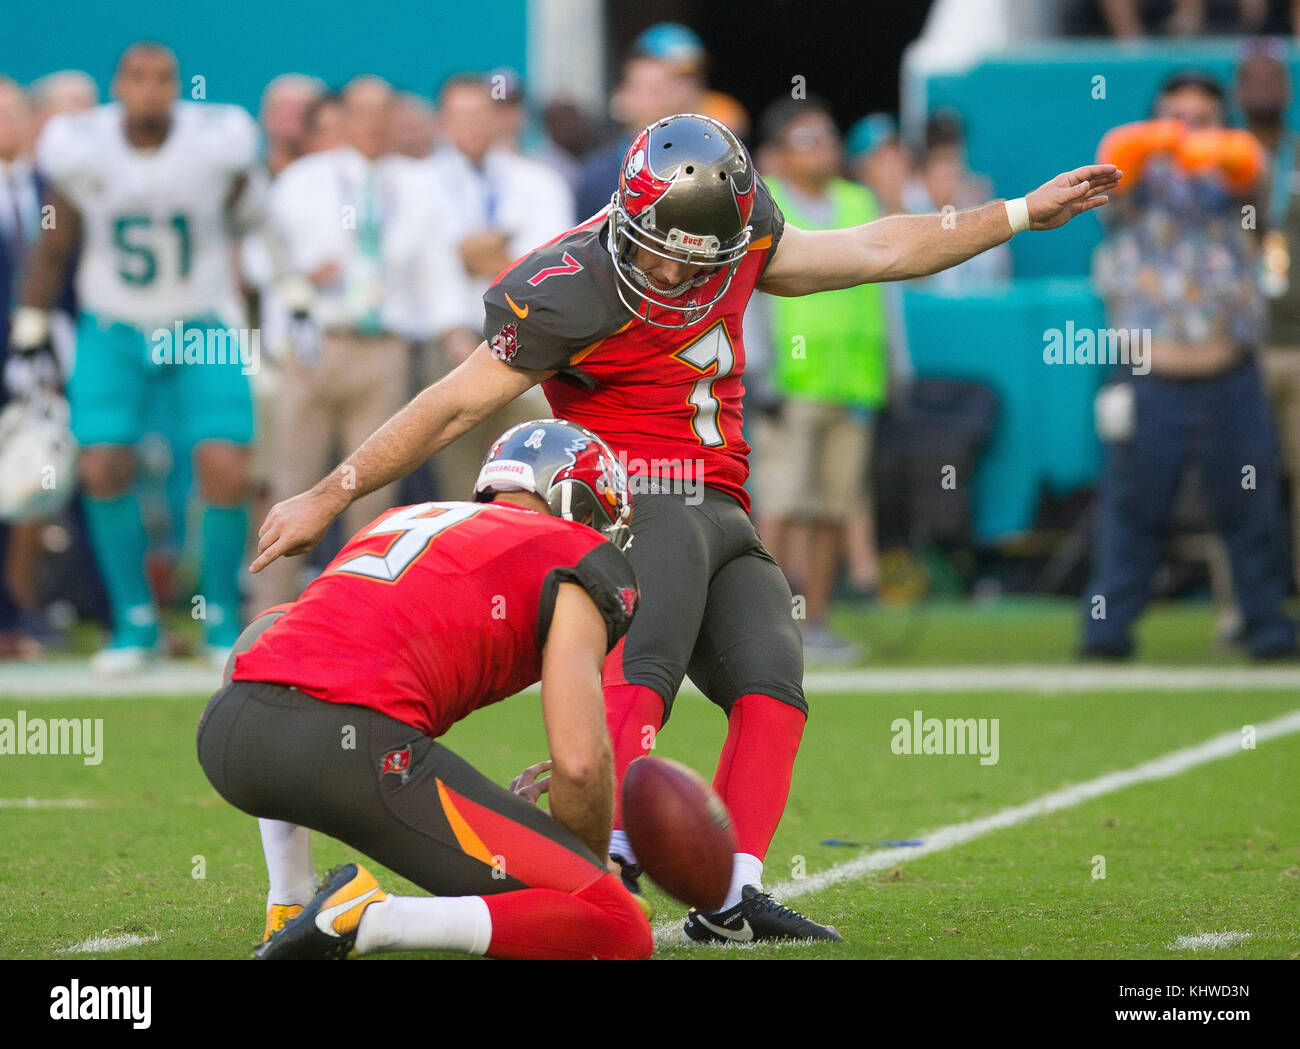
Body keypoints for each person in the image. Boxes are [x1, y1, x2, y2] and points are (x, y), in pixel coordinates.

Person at [252, 111, 1118, 941]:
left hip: (725, 497)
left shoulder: (745, 233)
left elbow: (879, 245)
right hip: (634, 498)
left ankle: (730, 891)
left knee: (775, 680)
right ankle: (611, 860)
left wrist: (1016, 215)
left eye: (692, 265)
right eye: (659, 257)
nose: (671, 278)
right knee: (650, 663)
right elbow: (450, 406)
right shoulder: (566, 288)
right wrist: (331, 495)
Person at [200, 418, 649, 960]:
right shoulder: (576, 553)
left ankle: (290, 896)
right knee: (616, 925)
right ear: (582, 506)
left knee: (276, 624)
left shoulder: (401, 519)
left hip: (229, 735)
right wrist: (586, 865)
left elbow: (261, 638)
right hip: (349, 752)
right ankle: (373, 918)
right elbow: (579, 765)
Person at [10, 42, 262, 672]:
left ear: (178, 86)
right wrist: (33, 319)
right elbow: (56, 236)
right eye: (139, 79)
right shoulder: (81, 148)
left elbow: (248, 218)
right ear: (118, 85)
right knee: (101, 464)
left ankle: (219, 614)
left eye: (164, 79)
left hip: (198, 319)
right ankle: (135, 621)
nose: (151, 91)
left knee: (227, 463)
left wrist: (270, 299)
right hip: (114, 322)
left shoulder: (216, 143)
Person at [1083, 70, 1296, 659]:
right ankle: (1106, 631)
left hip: (1229, 372)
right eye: (1175, 115)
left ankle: (1267, 629)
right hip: (1151, 377)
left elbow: (1254, 176)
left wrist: (1210, 148)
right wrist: (1168, 142)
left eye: (1201, 117)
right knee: (1133, 508)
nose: (1188, 129)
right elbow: (1113, 159)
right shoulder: (1127, 176)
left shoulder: (1239, 174)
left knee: (1250, 508)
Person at [250, 75, 456, 611]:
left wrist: (453, 332)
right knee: (292, 481)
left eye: (382, 110)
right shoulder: (306, 180)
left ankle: (360, 614)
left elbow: (436, 269)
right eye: (361, 110)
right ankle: (269, 614)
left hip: (384, 347)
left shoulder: (418, 183)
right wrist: (299, 281)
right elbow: (259, 258)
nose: (372, 121)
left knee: (372, 491)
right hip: (316, 343)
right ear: (340, 117)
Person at [747, 98, 892, 662]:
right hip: (790, 384)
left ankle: (818, 620)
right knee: (781, 507)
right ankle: (764, 625)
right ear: (779, 154)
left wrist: (894, 369)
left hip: (854, 384)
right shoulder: (764, 205)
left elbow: (888, 288)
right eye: (806, 139)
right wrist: (760, 372)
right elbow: (749, 297)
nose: (822, 149)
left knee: (834, 506)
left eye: (827, 138)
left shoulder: (860, 201)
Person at [421, 73, 572, 502]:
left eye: (481, 115)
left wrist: (473, 254)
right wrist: (453, 327)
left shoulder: (539, 181)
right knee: (460, 482)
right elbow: (427, 263)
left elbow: (549, 266)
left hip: (530, 347)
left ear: (498, 119)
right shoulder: (418, 182)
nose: (472, 126)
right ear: (442, 124)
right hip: (451, 347)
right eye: (460, 116)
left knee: (532, 472)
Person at [1236, 39, 1300, 592]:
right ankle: (1247, 605)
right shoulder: (1221, 162)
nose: (1262, 88)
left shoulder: (1298, 155)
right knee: (1241, 482)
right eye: (1250, 78)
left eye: (1271, 77)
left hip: (1299, 342)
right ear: (1236, 91)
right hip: (1239, 347)